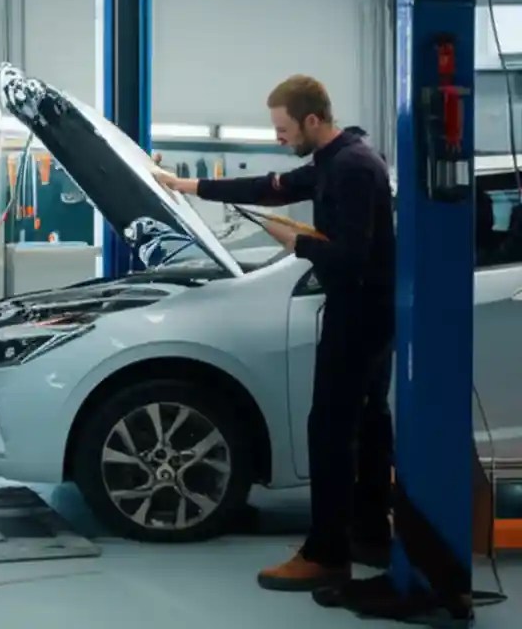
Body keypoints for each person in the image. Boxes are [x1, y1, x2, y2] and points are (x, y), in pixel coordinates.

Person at [152, 75, 395, 592]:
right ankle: (369, 535)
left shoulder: (351, 168)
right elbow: (269, 187)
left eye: (283, 128)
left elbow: (351, 257)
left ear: (311, 120)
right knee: (369, 425)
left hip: (359, 312)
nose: (278, 138)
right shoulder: (338, 160)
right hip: (366, 312)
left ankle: (327, 554)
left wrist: (297, 244)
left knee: (329, 430)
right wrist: (188, 186)